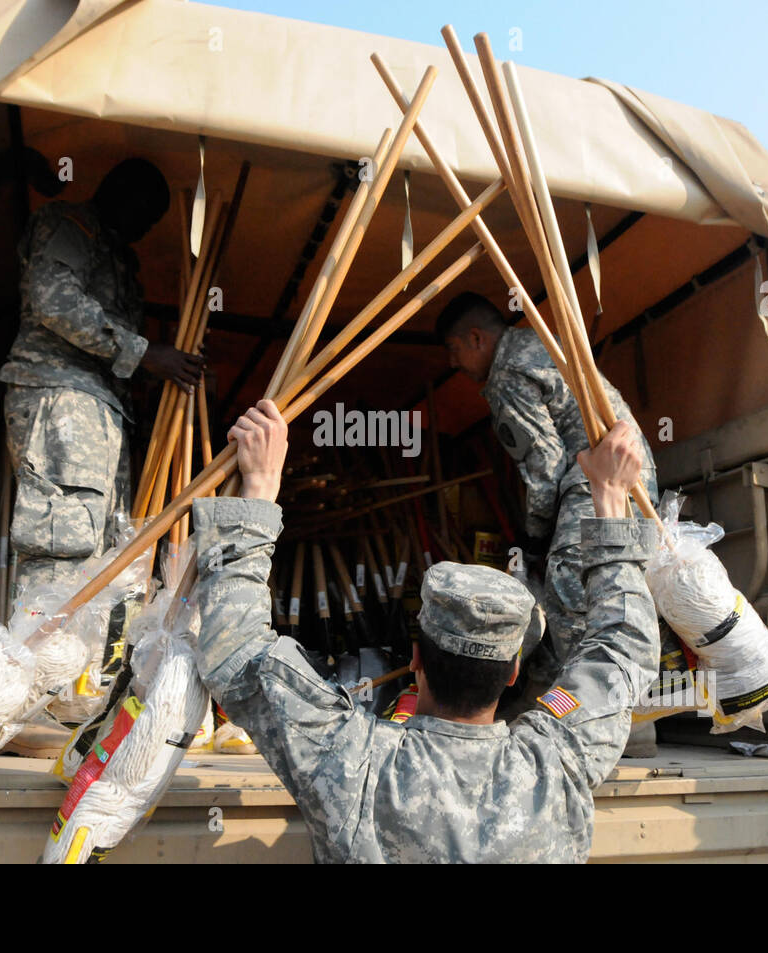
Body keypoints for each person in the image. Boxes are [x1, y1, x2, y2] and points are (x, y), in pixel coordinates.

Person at [190, 399, 660, 863]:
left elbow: (238, 653)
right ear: (513, 671)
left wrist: (259, 486)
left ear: (415, 662)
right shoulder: (554, 763)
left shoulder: (355, 760)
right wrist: (611, 499)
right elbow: (624, 648)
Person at [0, 158, 204, 595]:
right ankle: (45, 656)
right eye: (144, 214)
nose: (145, 229)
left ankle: (82, 662)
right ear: (117, 191)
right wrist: (146, 353)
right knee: (65, 541)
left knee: (105, 548)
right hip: (63, 394)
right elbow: (53, 300)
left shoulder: (122, 260)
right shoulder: (72, 225)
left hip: (102, 407)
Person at [435, 293, 657, 678]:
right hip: (633, 475)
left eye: (454, 350)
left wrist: (534, 535)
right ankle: (631, 703)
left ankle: (588, 707)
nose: (452, 363)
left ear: (476, 338)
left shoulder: (506, 374)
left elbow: (545, 462)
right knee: (620, 581)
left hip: (593, 480)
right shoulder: (538, 343)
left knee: (570, 594)